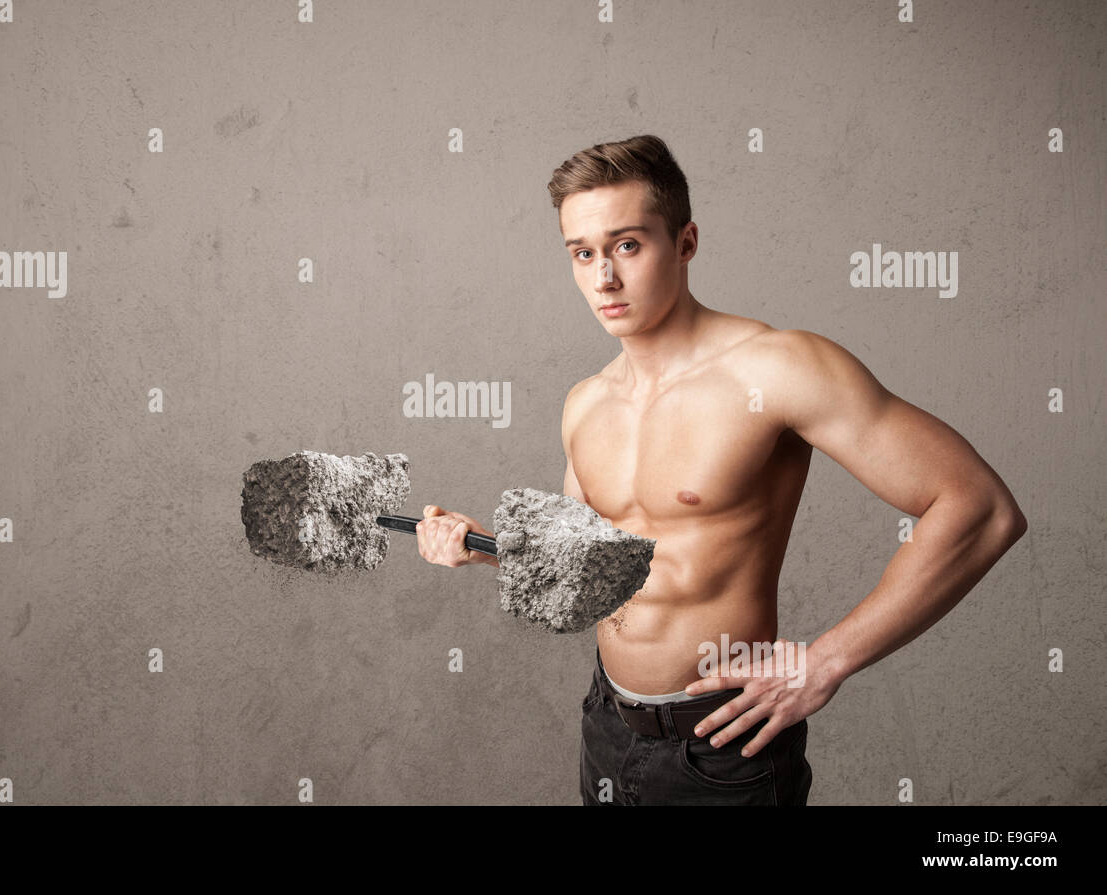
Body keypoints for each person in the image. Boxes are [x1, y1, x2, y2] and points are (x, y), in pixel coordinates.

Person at [415, 134, 1027, 805]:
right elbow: (590, 568)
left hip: (723, 749)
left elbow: (978, 506)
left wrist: (827, 660)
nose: (604, 277)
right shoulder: (585, 403)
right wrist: (484, 549)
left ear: (685, 242)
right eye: (583, 253)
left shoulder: (777, 367)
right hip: (609, 731)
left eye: (627, 244)